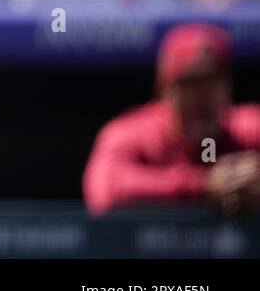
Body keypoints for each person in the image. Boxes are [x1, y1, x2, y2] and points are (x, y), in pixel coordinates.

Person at [83, 24, 260, 216]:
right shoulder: (134, 133)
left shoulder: (247, 128)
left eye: (213, 82)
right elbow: (104, 191)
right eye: (190, 84)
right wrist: (202, 185)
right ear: (165, 89)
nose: (203, 96)